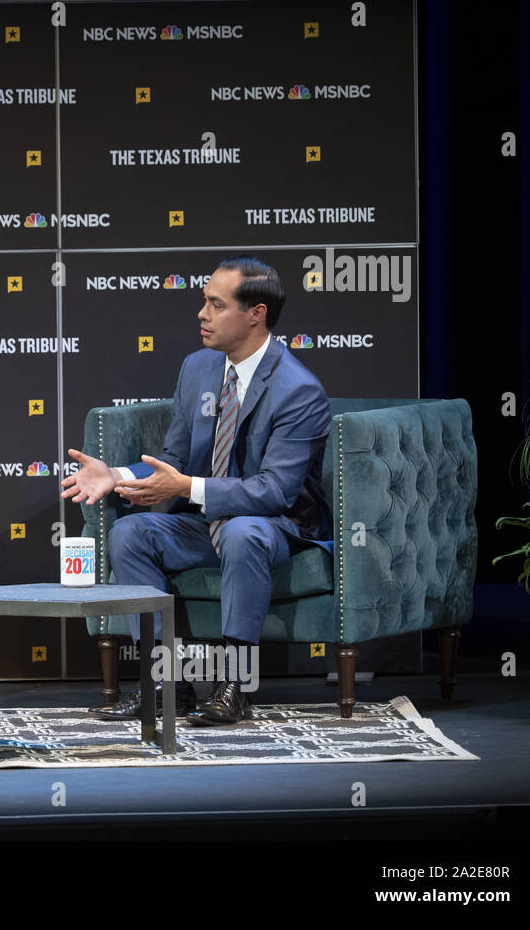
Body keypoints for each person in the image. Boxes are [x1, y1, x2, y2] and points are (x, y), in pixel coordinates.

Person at [61, 257, 330, 725]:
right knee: (130, 534)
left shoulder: (298, 390)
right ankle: (165, 682)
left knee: (244, 532)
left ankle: (234, 688)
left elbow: (276, 492)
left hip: (276, 528)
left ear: (255, 314)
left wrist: (187, 487)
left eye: (215, 304)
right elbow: (177, 462)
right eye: (204, 302)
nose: (201, 314)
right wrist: (117, 477)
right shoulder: (198, 369)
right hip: (203, 521)